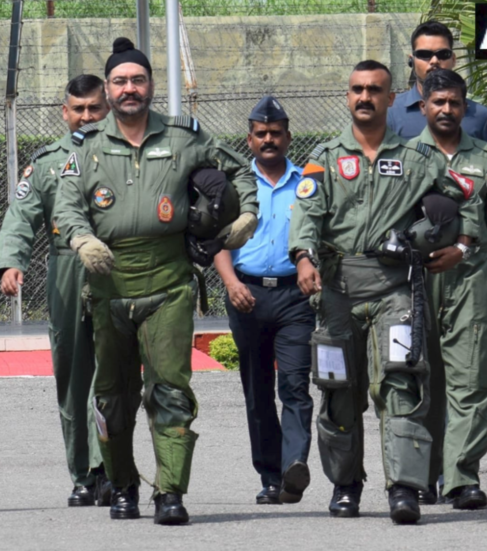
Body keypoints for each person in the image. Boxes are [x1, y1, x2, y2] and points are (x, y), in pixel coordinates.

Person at [52, 38, 259, 526]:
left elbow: (240, 172)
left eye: (138, 80)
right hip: (108, 281)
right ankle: (122, 486)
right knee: (112, 396)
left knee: (170, 391)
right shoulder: (87, 147)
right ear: (108, 89)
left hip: (168, 282)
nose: (130, 89)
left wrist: (247, 214)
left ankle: (170, 492)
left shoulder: (186, 138)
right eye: (120, 81)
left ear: (150, 85)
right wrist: (81, 238)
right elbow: (66, 203)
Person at [289, 60, 483, 524]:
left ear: (390, 98)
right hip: (337, 290)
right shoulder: (325, 157)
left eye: (374, 90)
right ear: (347, 95)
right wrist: (303, 257)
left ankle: (404, 487)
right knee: (337, 389)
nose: (365, 97)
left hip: (395, 289)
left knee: (402, 384)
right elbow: (307, 213)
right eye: (357, 89)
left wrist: (461, 245)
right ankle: (345, 485)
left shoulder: (419, 158)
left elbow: (468, 195)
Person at [0, 74, 111, 507]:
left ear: (108, 109)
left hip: (115, 267)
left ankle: (110, 469)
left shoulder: (122, 153)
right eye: (78, 109)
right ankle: (83, 475)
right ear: (65, 112)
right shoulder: (47, 162)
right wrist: (11, 262)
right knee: (72, 376)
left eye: (94, 108)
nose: (86, 116)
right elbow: (21, 214)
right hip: (67, 270)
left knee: (113, 374)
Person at [411, 69, 487, 509]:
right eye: (438, 102)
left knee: (472, 381)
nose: (446, 109)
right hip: (417, 283)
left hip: (472, 283)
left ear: (465, 106)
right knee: (419, 381)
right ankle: (420, 476)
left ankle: (461, 478)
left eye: (454, 102)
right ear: (423, 106)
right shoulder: (404, 155)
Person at [213, 96, 315, 506]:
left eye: (276, 133)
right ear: (249, 139)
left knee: (295, 384)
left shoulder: (307, 183)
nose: (268, 139)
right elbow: (218, 240)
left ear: (288, 137)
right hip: (247, 295)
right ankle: (271, 477)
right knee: (257, 391)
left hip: (295, 297)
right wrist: (231, 283)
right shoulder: (233, 185)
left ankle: (294, 466)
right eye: (261, 134)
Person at [387, 20, 487, 144]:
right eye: (424, 54)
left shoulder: (480, 116)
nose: (434, 60)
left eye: (443, 54)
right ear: (412, 61)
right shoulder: (390, 112)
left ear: (453, 59)